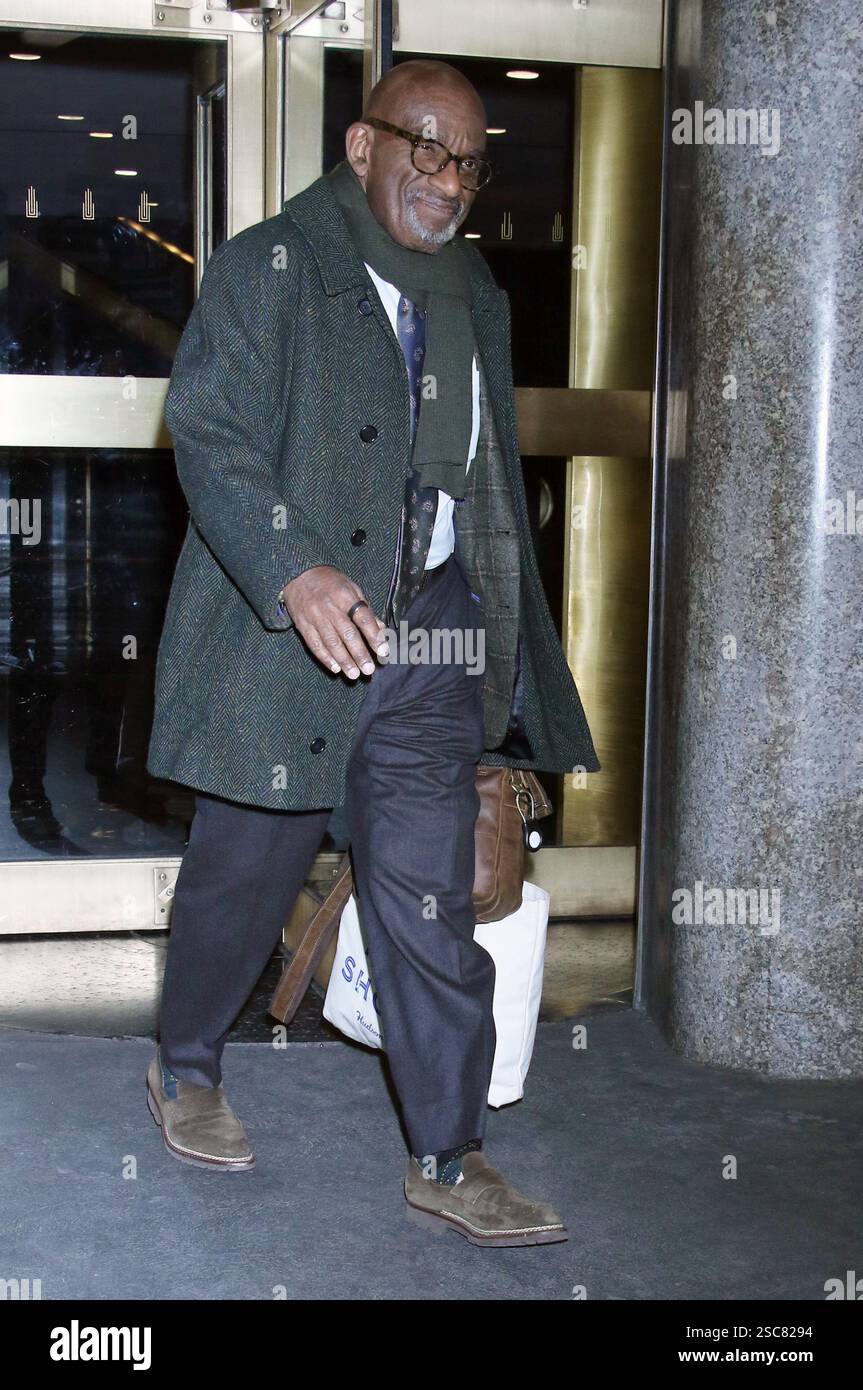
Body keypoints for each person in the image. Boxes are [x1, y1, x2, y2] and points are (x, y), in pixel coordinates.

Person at [146, 58, 598, 1248]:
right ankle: (188, 1063)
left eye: (468, 161)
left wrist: (488, 647)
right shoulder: (272, 266)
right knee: (245, 868)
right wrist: (293, 566)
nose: (448, 182)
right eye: (426, 149)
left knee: (425, 889)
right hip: (289, 628)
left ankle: (449, 1153)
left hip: (428, 629)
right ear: (362, 146)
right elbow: (206, 429)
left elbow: (482, 471)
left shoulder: (474, 295)